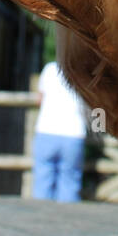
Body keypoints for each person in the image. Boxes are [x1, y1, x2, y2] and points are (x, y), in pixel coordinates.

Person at [31, 60, 88, 202]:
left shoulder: (50, 68)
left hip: (47, 130)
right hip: (74, 132)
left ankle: (39, 216)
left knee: (42, 179)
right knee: (70, 182)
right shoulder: (85, 71)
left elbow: (40, 99)